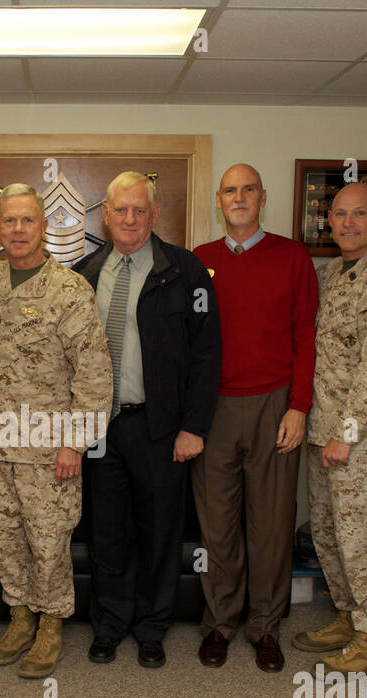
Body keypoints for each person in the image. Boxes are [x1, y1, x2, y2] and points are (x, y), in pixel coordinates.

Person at [75, 171, 221, 668]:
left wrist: (193, 426)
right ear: (106, 215)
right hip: (100, 427)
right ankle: (110, 624)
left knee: (159, 532)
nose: (130, 219)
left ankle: (152, 627)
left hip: (158, 426)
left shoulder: (185, 271)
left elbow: (206, 354)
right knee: (107, 533)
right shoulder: (85, 272)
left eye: (140, 210)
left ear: (155, 216)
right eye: (121, 209)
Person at [0, 183, 112, 679]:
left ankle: (51, 624)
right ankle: (19, 618)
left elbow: (94, 373)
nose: (18, 229)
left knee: (50, 540)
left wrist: (75, 442)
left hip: (49, 446)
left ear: (44, 225)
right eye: (9, 221)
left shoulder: (70, 289)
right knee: (5, 538)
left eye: (27, 220)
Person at [191, 164, 317, 672]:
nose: (239, 197)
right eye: (229, 190)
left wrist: (299, 406)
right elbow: (189, 343)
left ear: (262, 198)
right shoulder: (200, 260)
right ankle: (221, 624)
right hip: (214, 409)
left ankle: (265, 626)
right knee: (217, 527)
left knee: (269, 526)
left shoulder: (292, 256)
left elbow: (308, 336)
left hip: (274, 407)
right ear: (218, 200)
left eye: (248, 189)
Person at [291, 182, 367, 674]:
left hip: (358, 440)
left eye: (359, 214)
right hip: (322, 431)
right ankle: (345, 615)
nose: (347, 223)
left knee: (362, 538)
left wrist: (348, 431)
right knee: (327, 532)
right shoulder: (329, 275)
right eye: (339, 214)